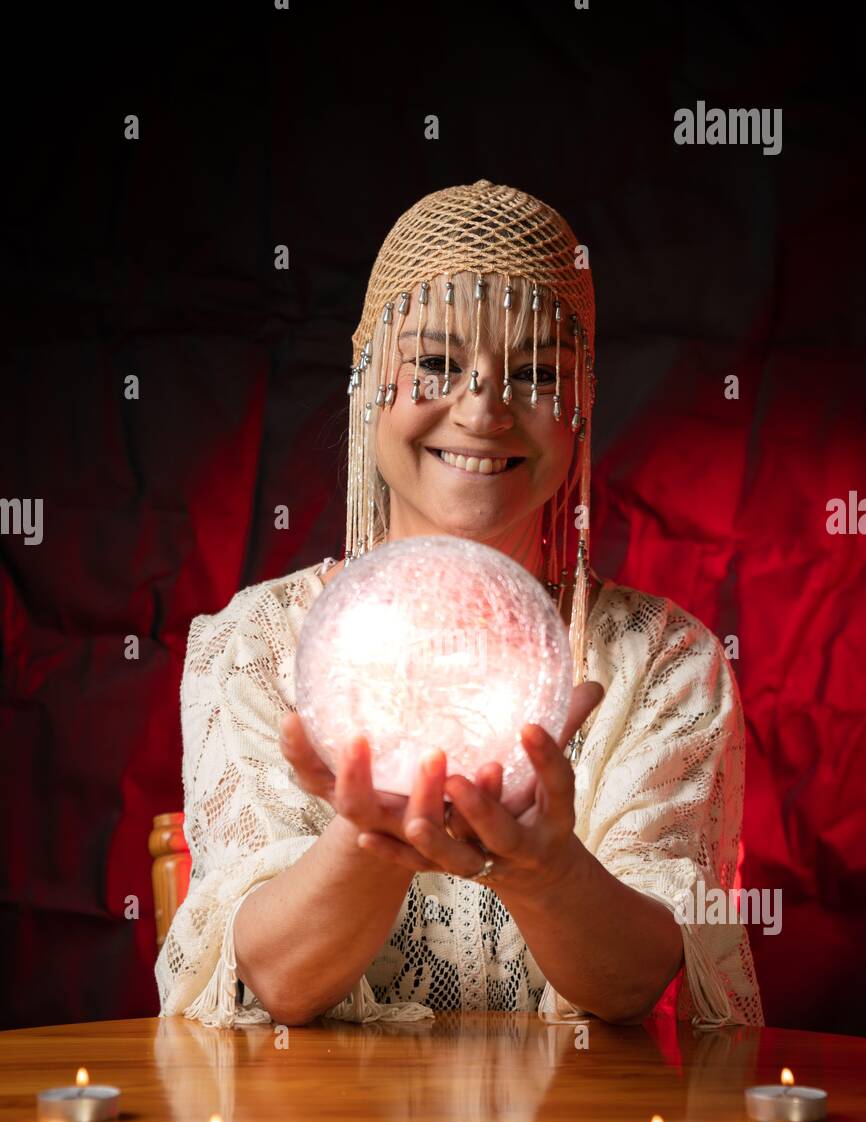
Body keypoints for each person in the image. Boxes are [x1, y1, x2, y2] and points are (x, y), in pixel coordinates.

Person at [155, 179, 763, 1032]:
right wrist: (368, 844)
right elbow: (278, 983)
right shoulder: (255, 642)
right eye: (437, 363)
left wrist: (542, 871)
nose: (484, 406)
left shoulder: (665, 662)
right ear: (369, 389)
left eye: (535, 373)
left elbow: (633, 986)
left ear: (578, 411)